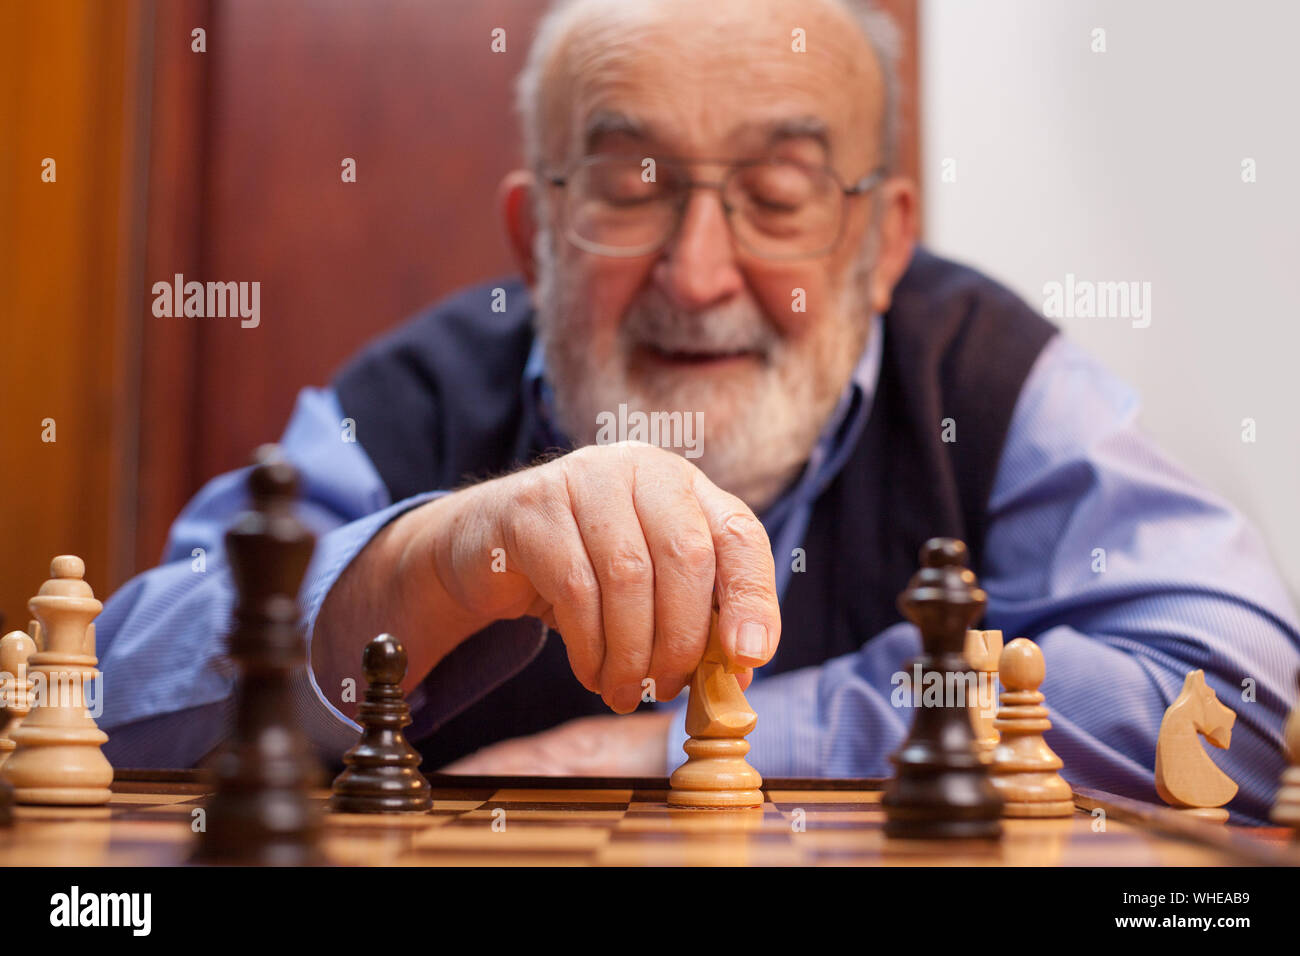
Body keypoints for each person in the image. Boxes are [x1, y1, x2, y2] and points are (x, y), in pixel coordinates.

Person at [96, 0, 1299, 821]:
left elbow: (1232, 686)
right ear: (535, 234)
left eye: (777, 194)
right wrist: (427, 566)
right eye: (630, 187)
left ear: (881, 242)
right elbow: (115, 698)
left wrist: (692, 745)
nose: (698, 272)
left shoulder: (984, 379)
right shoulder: (414, 392)